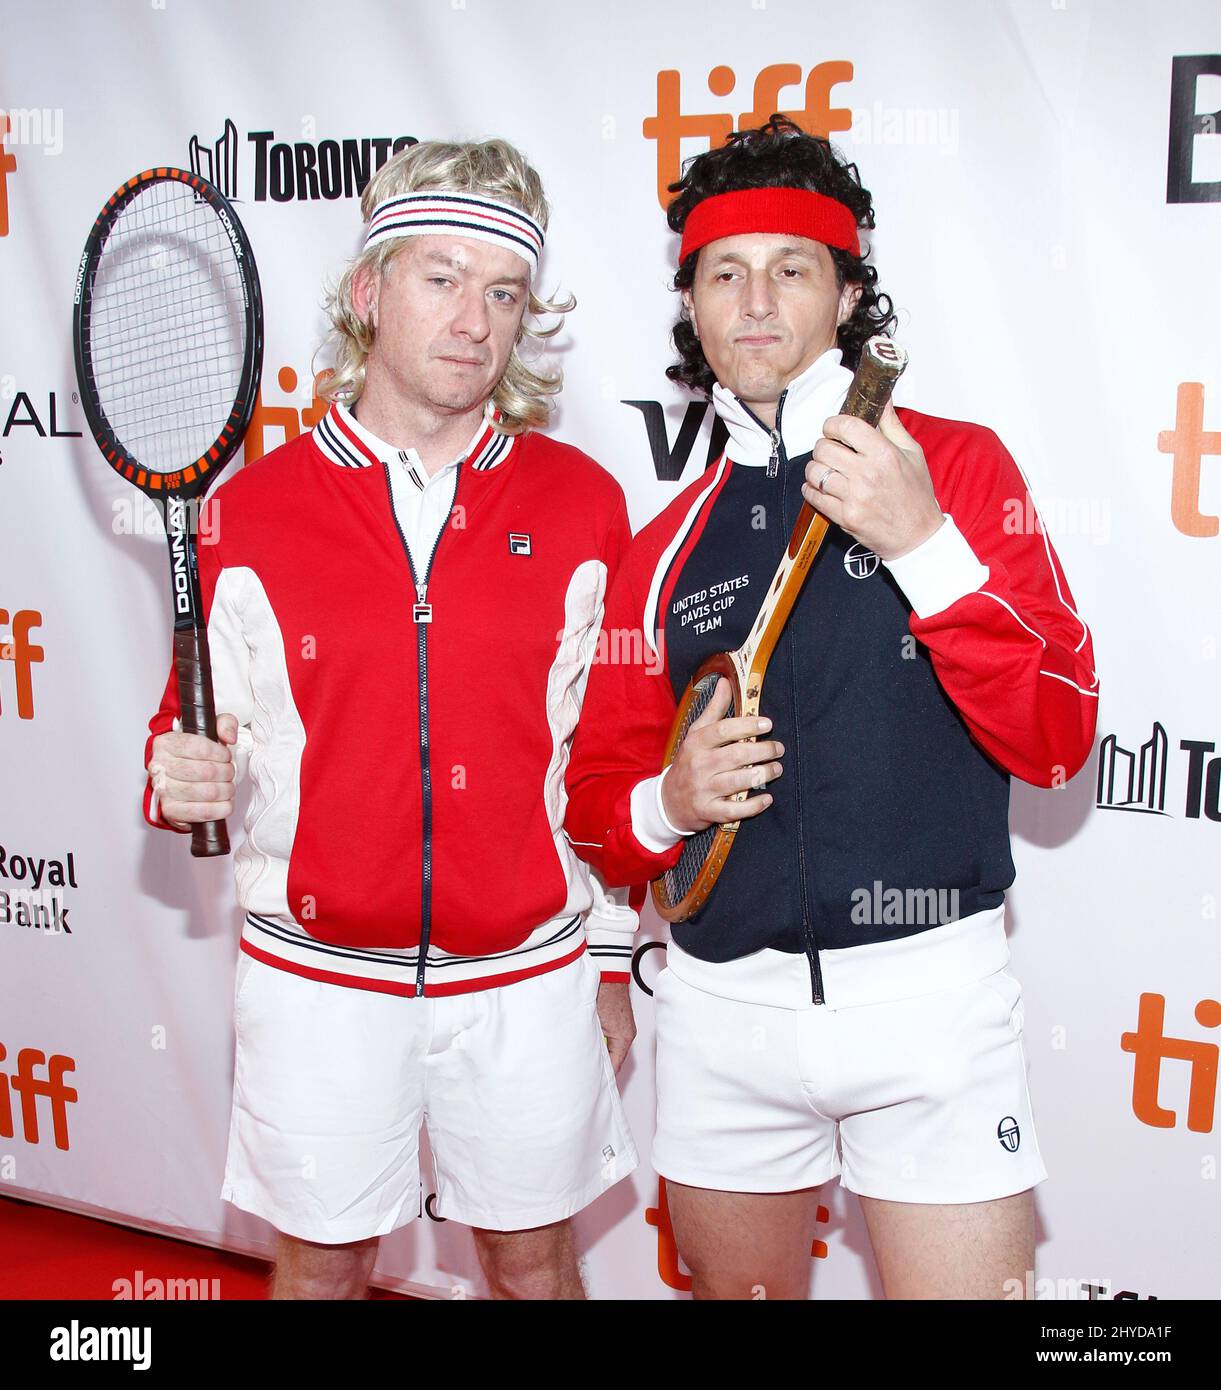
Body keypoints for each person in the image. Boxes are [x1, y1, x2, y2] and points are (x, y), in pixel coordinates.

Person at [564, 117, 1099, 1300]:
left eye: (793, 268)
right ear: (692, 310)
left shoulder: (955, 468)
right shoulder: (658, 548)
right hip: (720, 1019)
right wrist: (669, 798)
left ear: (849, 294)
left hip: (931, 1002)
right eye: (724, 272)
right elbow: (599, 807)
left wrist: (926, 546)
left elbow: (1060, 736)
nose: (757, 302)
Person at [143, 139, 640, 1300]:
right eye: (441, 277)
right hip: (316, 978)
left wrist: (611, 962)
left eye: (503, 292)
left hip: (525, 977)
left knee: (535, 1268)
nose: (474, 319)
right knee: (319, 1271)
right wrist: (176, 775)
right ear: (368, 293)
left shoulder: (583, 504)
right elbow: (188, 731)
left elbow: (607, 757)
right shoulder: (251, 511)